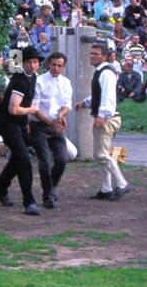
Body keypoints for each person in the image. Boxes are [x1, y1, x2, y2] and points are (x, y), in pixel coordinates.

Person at [0, 45, 43, 216]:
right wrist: (31, 111)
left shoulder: (32, 77)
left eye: (35, 62)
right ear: (23, 63)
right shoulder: (20, 80)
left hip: (19, 123)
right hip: (8, 123)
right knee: (24, 160)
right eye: (28, 62)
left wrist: (25, 120)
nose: (33, 66)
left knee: (18, 159)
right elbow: (14, 109)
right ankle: (29, 201)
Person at [76, 41, 130, 200]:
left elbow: (108, 98)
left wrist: (101, 115)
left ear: (105, 56)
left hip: (108, 118)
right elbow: (98, 96)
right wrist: (85, 103)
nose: (92, 56)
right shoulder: (100, 72)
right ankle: (106, 188)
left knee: (101, 154)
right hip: (105, 117)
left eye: (96, 54)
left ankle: (122, 183)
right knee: (101, 154)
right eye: (91, 53)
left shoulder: (106, 73)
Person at [30, 51, 73, 208]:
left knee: (62, 159)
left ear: (63, 67)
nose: (56, 68)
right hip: (40, 125)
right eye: (53, 65)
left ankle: (51, 186)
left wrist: (61, 116)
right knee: (44, 162)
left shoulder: (66, 83)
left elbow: (67, 104)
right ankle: (47, 195)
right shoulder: (39, 81)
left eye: (59, 66)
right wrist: (50, 122)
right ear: (48, 64)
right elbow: (34, 108)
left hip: (56, 125)